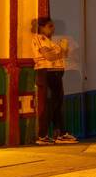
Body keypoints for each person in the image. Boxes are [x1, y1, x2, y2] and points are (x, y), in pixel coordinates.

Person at [32, 16, 76, 145]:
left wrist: (64, 48)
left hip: (55, 73)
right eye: (50, 26)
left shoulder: (51, 41)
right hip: (47, 72)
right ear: (41, 27)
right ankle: (42, 135)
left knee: (57, 103)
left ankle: (61, 133)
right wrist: (61, 51)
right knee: (50, 104)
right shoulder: (39, 39)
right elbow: (48, 56)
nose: (53, 29)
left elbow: (64, 55)